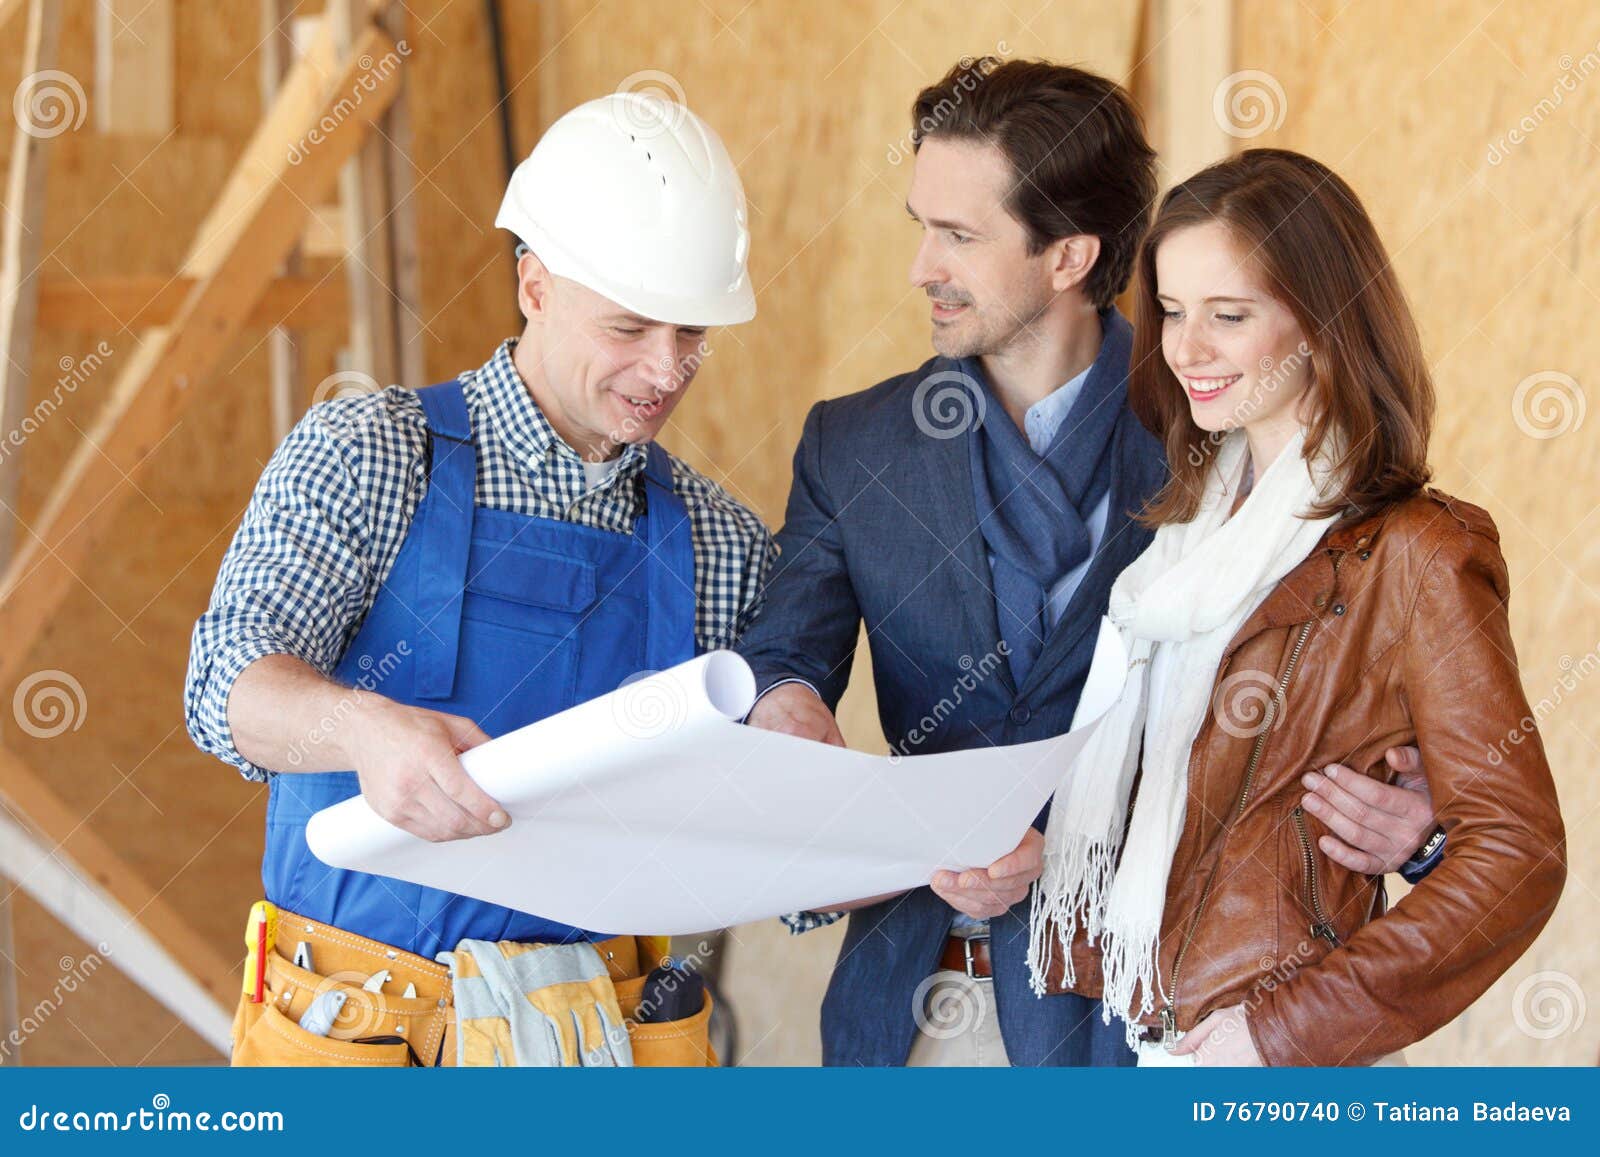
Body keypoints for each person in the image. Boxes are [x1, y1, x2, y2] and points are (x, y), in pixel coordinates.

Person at [738, 58, 1440, 1067]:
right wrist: (784, 704)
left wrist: (1414, 817)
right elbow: (780, 655)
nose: (920, 266)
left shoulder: (1228, 438)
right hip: (914, 1011)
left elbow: (1373, 722)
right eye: (918, 224)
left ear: (1069, 255)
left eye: (958, 236)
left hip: (1161, 1018)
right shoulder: (854, 445)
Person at [184, 93, 771, 1066]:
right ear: (533, 283)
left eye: (692, 333)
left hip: (595, 1044)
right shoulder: (373, 453)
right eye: (629, 328)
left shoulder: (722, 541)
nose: (666, 369)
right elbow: (224, 687)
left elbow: (750, 824)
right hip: (363, 1034)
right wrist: (362, 728)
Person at [1028, 148, 1567, 1067]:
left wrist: (1282, 1033)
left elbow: (1517, 853)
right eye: (1170, 311)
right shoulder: (1184, 533)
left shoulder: (1417, 551)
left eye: (1228, 316)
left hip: (1280, 1062)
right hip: (1149, 1036)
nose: (1185, 349)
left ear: (1319, 323)